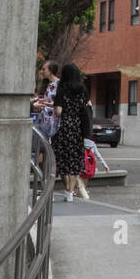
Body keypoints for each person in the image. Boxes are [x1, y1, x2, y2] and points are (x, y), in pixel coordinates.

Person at [52, 64, 92, 203]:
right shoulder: (82, 89)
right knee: (75, 159)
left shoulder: (62, 89)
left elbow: (58, 111)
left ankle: (66, 188)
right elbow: (89, 105)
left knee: (62, 158)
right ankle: (70, 191)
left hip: (63, 128)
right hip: (78, 127)